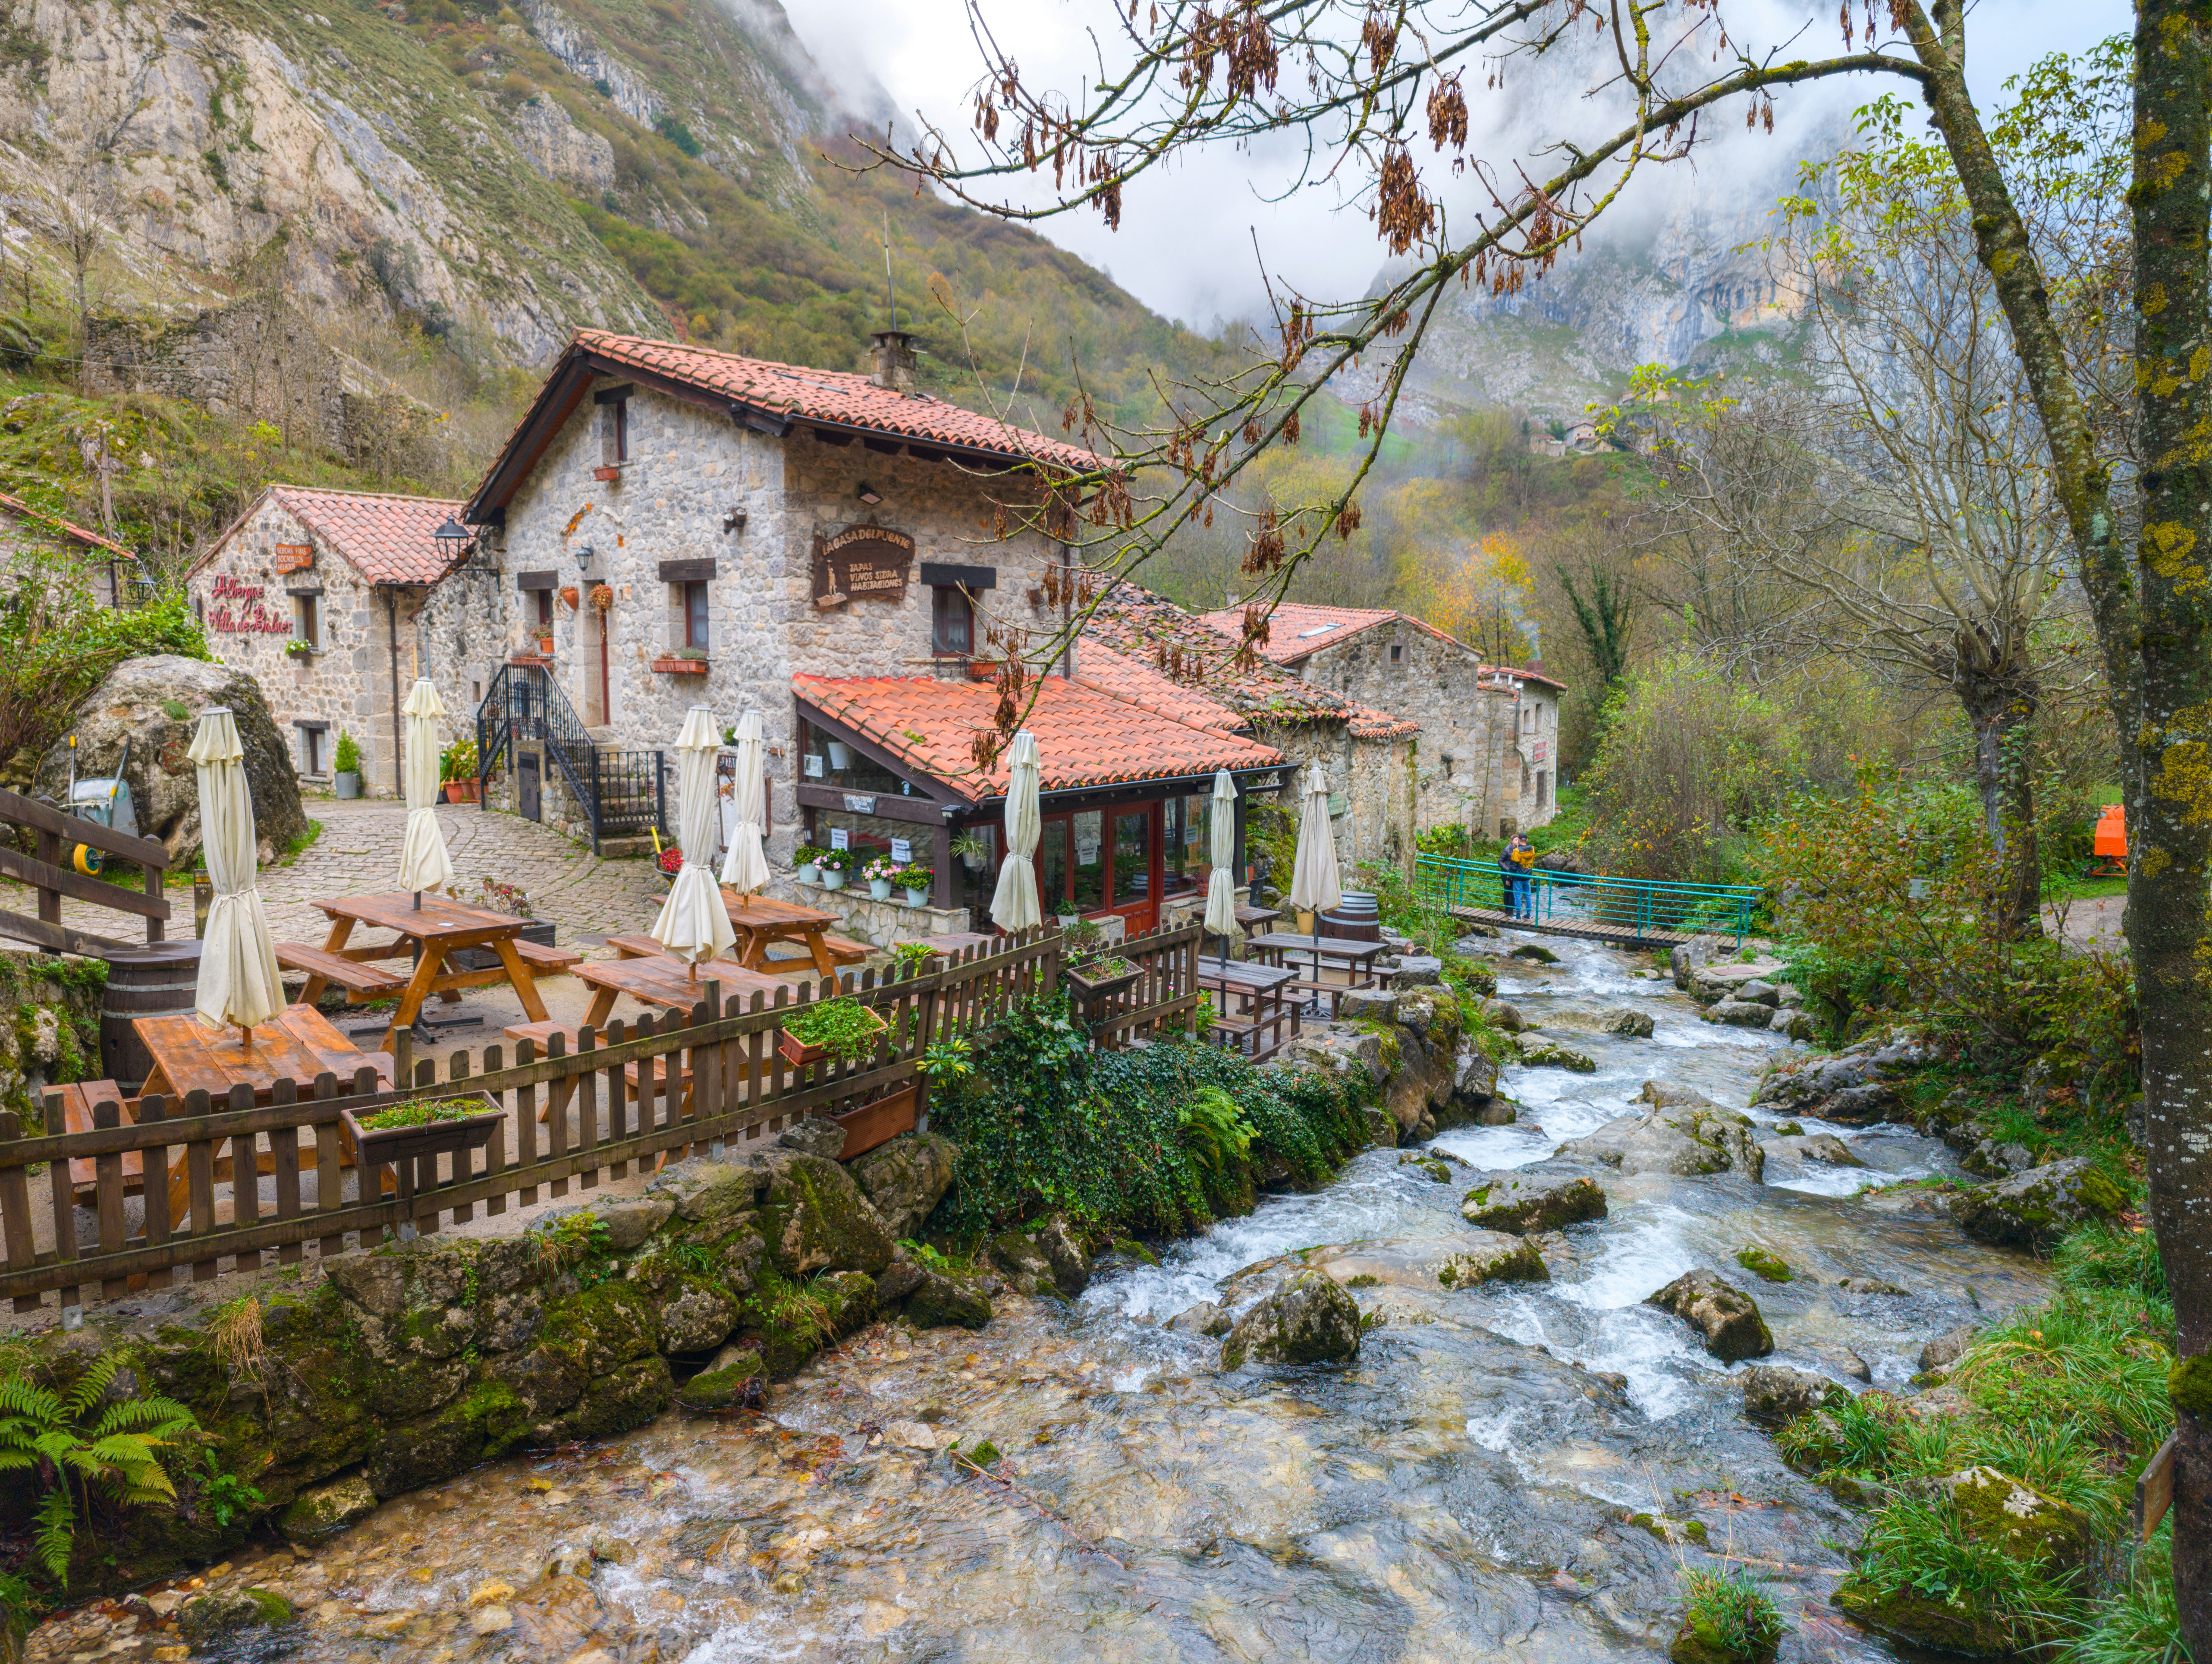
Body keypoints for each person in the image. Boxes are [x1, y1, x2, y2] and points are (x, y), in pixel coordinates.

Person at [1507, 834, 1537, 919]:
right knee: (1528, 895)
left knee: (1518, 895)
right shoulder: (1532, 850)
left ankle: (1518, 916)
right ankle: (1528, 915)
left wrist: (1509, 879)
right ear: (1527, 840)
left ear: (1519, 840)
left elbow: (1513, 867)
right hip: (1528, 876)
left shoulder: (1517, 852)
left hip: (1518, 877)